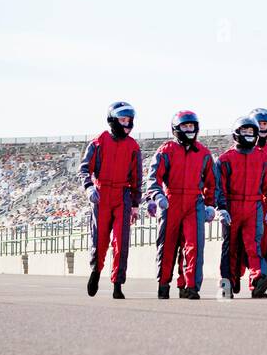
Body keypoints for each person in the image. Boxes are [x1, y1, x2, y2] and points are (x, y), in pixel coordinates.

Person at [146, 110, 216, 300]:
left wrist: (210, 205)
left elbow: (212, 182)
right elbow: (153, 178)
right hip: (171, 203)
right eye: (185, 126)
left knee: (194, 246)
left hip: (194, 203)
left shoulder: (204, 153)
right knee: (167, 246)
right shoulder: (165, 150)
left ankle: (191, 286)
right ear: (176, 129)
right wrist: (157, 196)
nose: (189, 129)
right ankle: (163, 284)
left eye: (191, 126)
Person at [78, 101, 143, 299]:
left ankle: (117, 284)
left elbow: (137, 178)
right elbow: (84, 169)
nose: (126, 123)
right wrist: (89, 188)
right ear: (113, 120)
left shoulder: (133, 146)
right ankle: (96, 271)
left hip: (122, 196)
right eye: (122, 119)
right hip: (101, 194)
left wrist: (135, 204)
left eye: (128, 120)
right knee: (100, 239)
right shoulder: (99, 141)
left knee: (121, 242)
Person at [215, 116, 267, 299]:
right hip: (231, 207)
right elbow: (219, 187)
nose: (248, 135)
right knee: (230, 247)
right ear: (236, 133)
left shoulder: (263, 158)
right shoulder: (225, 159)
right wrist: (222, 208)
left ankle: (257, 281)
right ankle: (227, 284)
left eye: (251, 132)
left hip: (254, 207)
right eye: (245, 131)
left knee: (254, 245)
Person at [247, 106, 267, 294]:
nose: (262, 127)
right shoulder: (240, 149)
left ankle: (261, 281)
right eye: (259, 123)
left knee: (266, 244)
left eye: (265, 124)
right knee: (248, 243)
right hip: (246, 204)